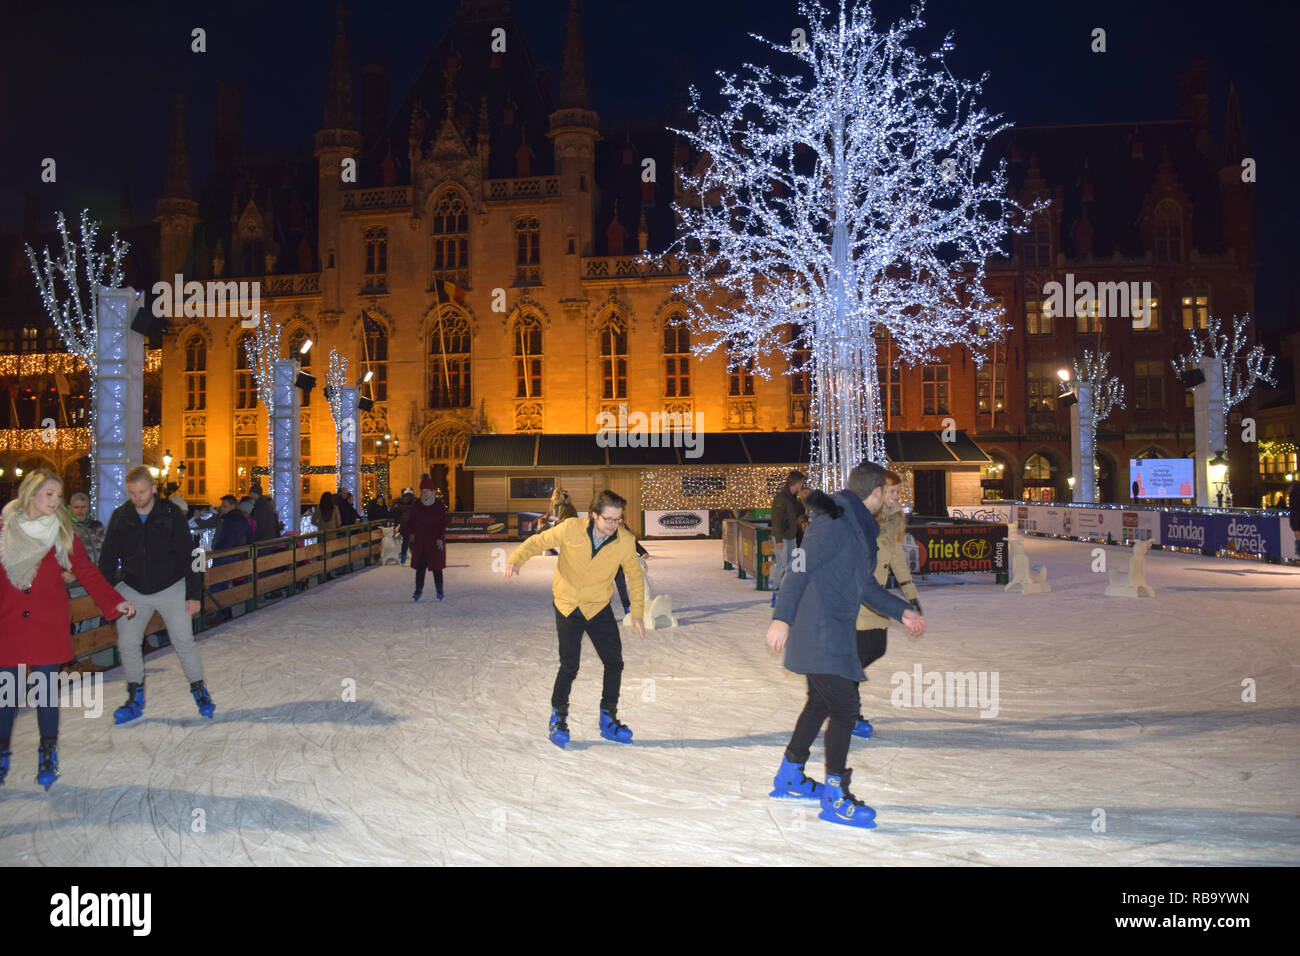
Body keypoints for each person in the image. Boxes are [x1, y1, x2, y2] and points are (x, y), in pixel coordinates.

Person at [765, 461, 926, 829]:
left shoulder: (857, 527)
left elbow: (865, 585)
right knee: (844, 706)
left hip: (832, 630)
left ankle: (790, 775)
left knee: (821, 702)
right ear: (873, 494)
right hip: (816, 630)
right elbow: (798, 563)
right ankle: (836, 796)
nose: (890, 501)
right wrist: (782, 616)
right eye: (886, 494)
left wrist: (902, 612)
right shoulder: (836, 522)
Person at [0, 470, 135, 789]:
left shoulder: (62, 532)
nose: (55, 501)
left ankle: (48, 753)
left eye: (58, 495)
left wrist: (114, 602)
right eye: (49, 494)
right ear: (31, 494)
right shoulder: (5, 531)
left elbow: (87, 571)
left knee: (46, 695)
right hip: (10, 625)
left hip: (47, 623)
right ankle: (2, 753)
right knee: (6, 696)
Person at [504, 490, 646, 749]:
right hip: (568, 605)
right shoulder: (571, 528)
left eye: (618, 519)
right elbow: (538, 541)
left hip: (597, 607)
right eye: (608, 519)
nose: (614, 525)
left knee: (614, 662)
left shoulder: (624, 541)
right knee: (569, 666)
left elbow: (634, 576)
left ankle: (608, 719)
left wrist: (636, 611)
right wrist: (516, 559)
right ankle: (557, 718)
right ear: (594, 515)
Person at [99, 465, 213, 723]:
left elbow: (191, 555)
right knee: (128, 643)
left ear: (152, 488)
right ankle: (134, 697)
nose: (137, 497)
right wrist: (107, 598)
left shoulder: (171, 514)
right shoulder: (121, 516)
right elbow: (107, 559)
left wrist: (194, 594)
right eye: (132, 493)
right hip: (133, 587)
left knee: (183, 641)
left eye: (141, 492)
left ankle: (199, 690)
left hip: (171, 586)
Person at [852, 470, 921, 739]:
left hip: (876, 598)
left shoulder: (891, 521)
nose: (896, 497)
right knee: (862, 653)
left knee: (872, 649)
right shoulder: (864, 520)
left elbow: (895, 557)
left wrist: (910, 593)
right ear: (878, 491)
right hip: (861, 597)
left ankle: (841, 700)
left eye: (898, 492)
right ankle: (848, 710)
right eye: (892, 492)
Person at [400, 478, 447, 601]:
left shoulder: (438, 505)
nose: (425, 493)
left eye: (427, 491)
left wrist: (439, 538)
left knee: (437, 567)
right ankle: (418, 589)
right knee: (420, 567)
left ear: (432, 491)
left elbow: (442, 523)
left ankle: (439, 589)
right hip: (421, 541)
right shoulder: (417, 505)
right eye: (423, 491)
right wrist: (404, 531)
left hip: (435, 540)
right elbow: (412, 521)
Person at [769, 470, 807, 607]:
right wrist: (778, 540)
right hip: (782, 537)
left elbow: (798, 515)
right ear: (795, 483)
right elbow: (776, 520)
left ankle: (789, 591)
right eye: (801, 482)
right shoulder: (781, 498)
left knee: (793, 565)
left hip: (791, 536)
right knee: (782, 564)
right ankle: (776, 592)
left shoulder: (794, 498)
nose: (802, 485)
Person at [612, 517, 649, 615]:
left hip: (620, 564)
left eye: (620, 520)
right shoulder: (608, 530)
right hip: (607, 564)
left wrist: (643, 551)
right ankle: (601, 611)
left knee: (621, 586)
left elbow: (633, 543)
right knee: (603, 588)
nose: (619, 522)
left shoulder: (626, 530)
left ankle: (627, 609)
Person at [390, 487, 416, 564]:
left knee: (406, 540)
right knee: (414, 540)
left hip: (404, 524)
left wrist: (396, 523)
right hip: (414, 523)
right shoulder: (415, 501)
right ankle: (414, 557)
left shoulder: (398, 502)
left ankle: (403, 557)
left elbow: (394, 513)